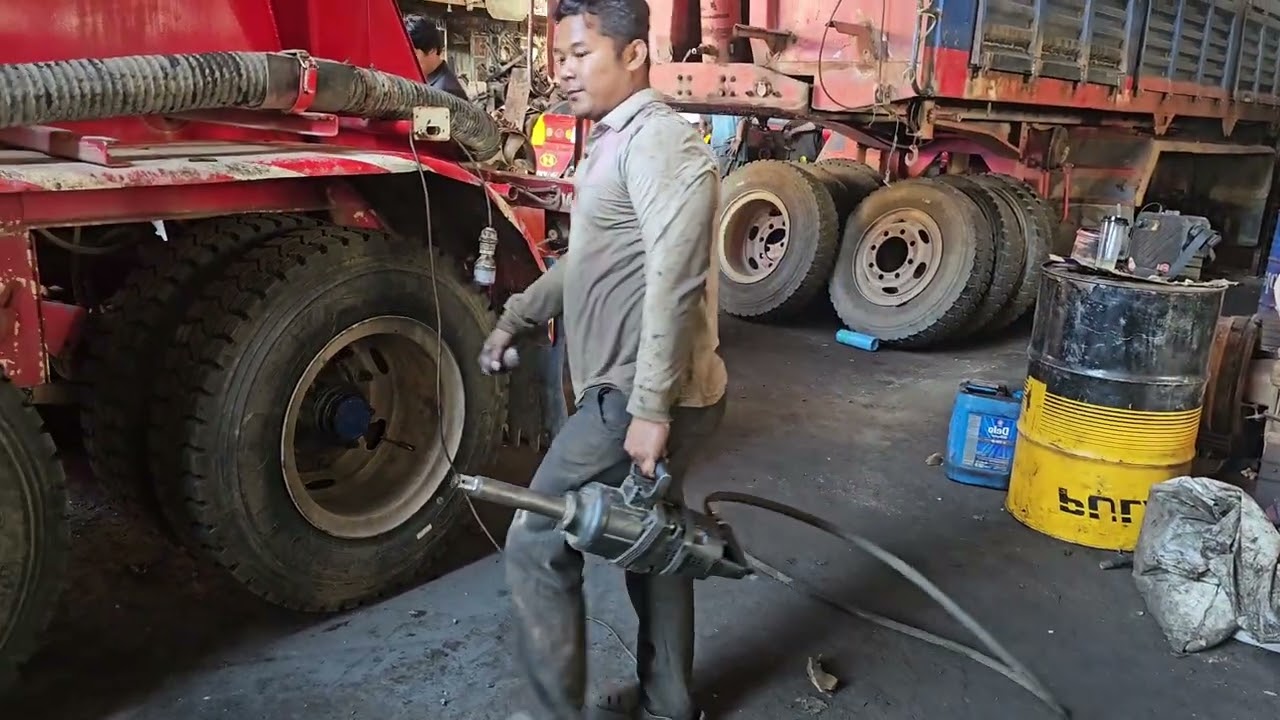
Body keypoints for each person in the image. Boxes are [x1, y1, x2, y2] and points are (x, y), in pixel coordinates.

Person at [477, 0, 727, 718]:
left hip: (638, 397)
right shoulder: (611, 143)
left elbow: (677, 281)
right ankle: (670, 704)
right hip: (628, 394)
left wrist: (649, 411)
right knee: (657, 546)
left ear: (635, 56)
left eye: (582, 53)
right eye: (562, 55)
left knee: (534, 537)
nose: (565, 69)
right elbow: (585, 261)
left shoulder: (662, 145)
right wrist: (517, 320)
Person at [402, 13, 470, 101]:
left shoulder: (447, 91)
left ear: (432, 50)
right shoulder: (430, 81)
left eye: (414, 54)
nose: (409, 61)